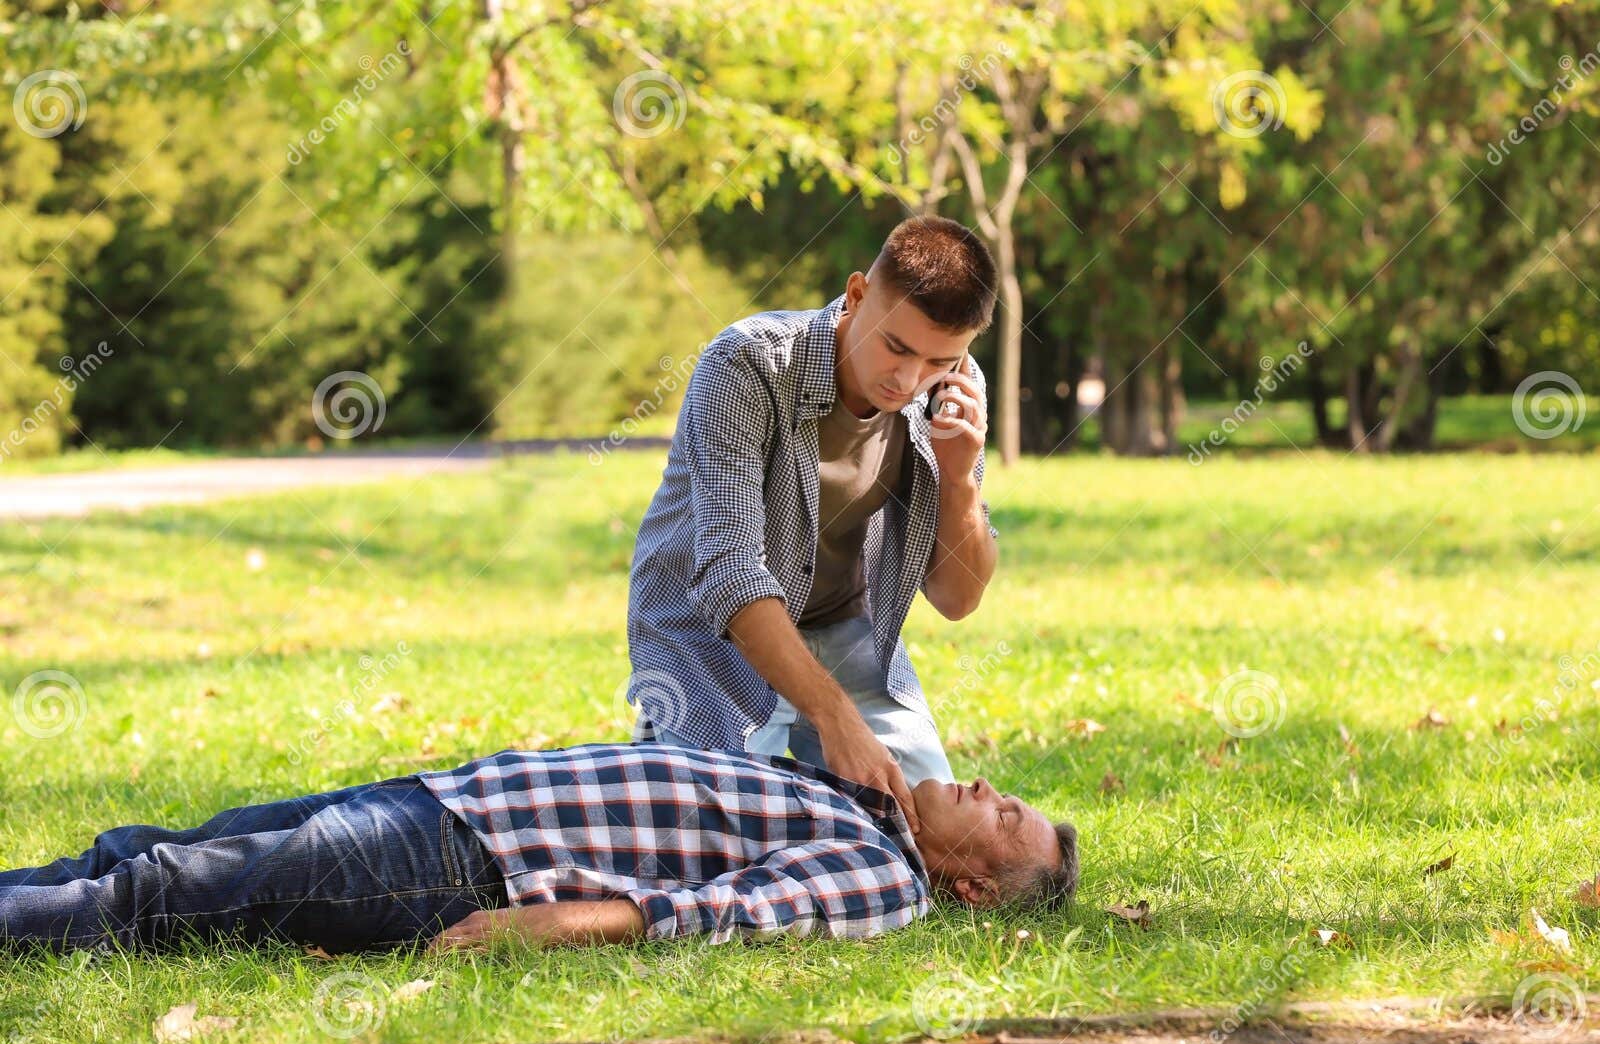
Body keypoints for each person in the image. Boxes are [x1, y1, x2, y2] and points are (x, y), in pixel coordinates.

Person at [627, 215, 1001, 833]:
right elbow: (729, 574)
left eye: (938, 359)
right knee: (725, 833)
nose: (907, 381)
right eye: (896, 346)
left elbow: (958, 599)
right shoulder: (746, 364)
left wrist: (959, 480)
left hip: (842, 627)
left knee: (923, 832)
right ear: (856, 295)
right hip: (708, 632)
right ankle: (667, 739)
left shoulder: (954, 390)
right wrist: (837, 720)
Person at [0, 743, 1077, 955]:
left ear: (973, 887)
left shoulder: (883, 879)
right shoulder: (872, 808)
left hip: (470, 859)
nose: (984, 786)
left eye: (1003, 814)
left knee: (165, 889)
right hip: (454, 795)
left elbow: (725, 913)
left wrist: (543, 922)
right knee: (150, 848)